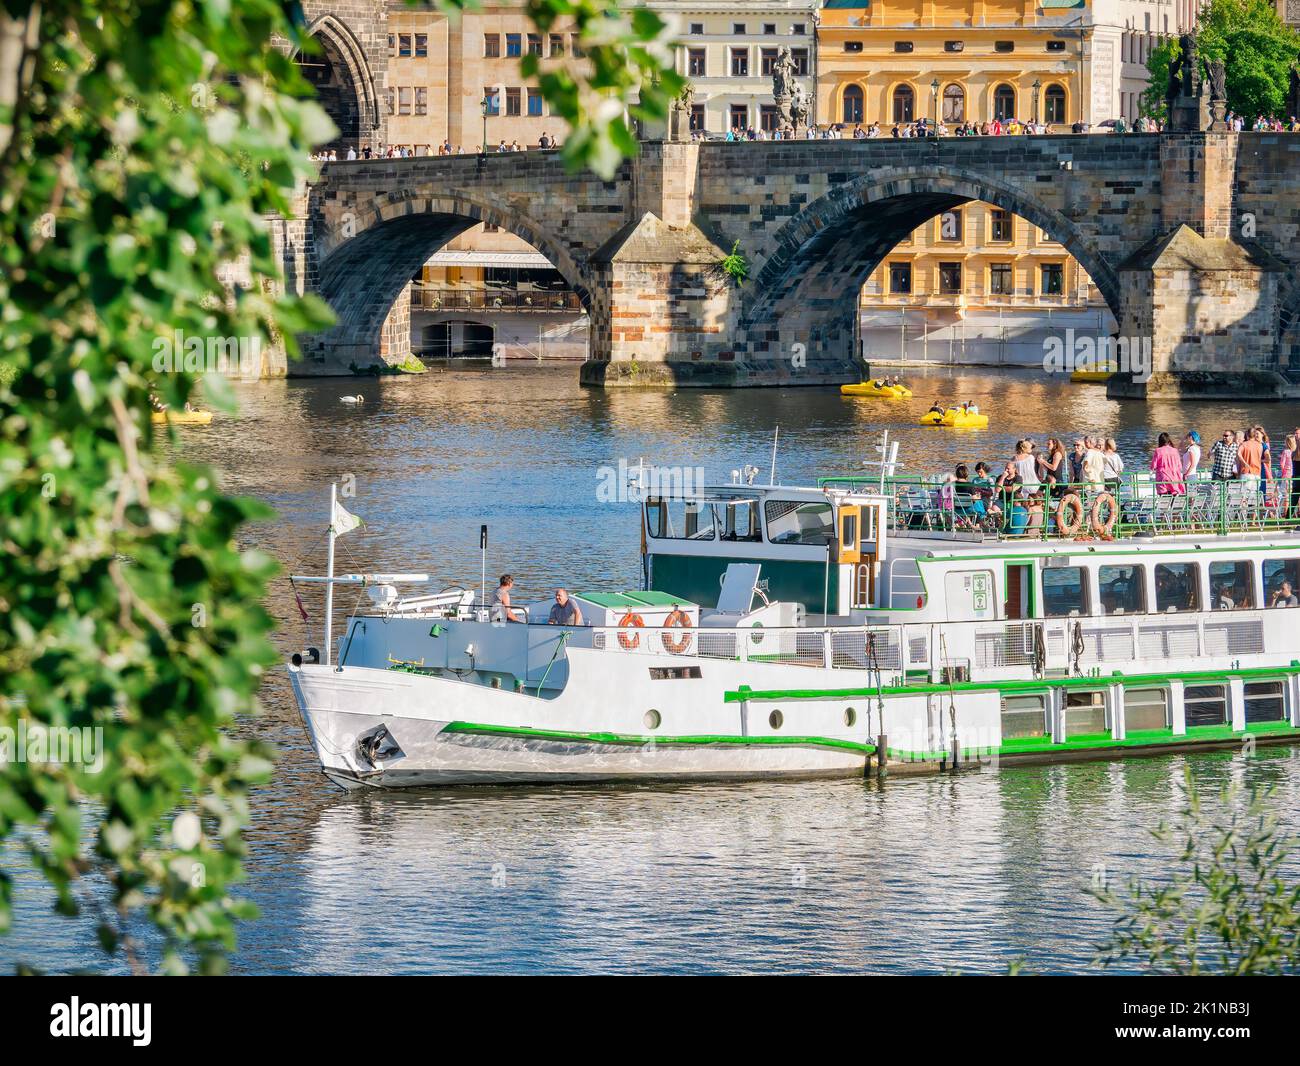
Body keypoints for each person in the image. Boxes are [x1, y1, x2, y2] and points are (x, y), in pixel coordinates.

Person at [1238, 427, 1263, 496]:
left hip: (1247, 472)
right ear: (1255, 435)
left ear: (1247, 434)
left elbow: (1238, 454)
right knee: (1253, 494)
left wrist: (1244, 462)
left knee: (1244, 494)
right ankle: (1252, 506)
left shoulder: (1244, 444)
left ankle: (1244, 505)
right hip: (1257, 472)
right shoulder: (1260, 445)